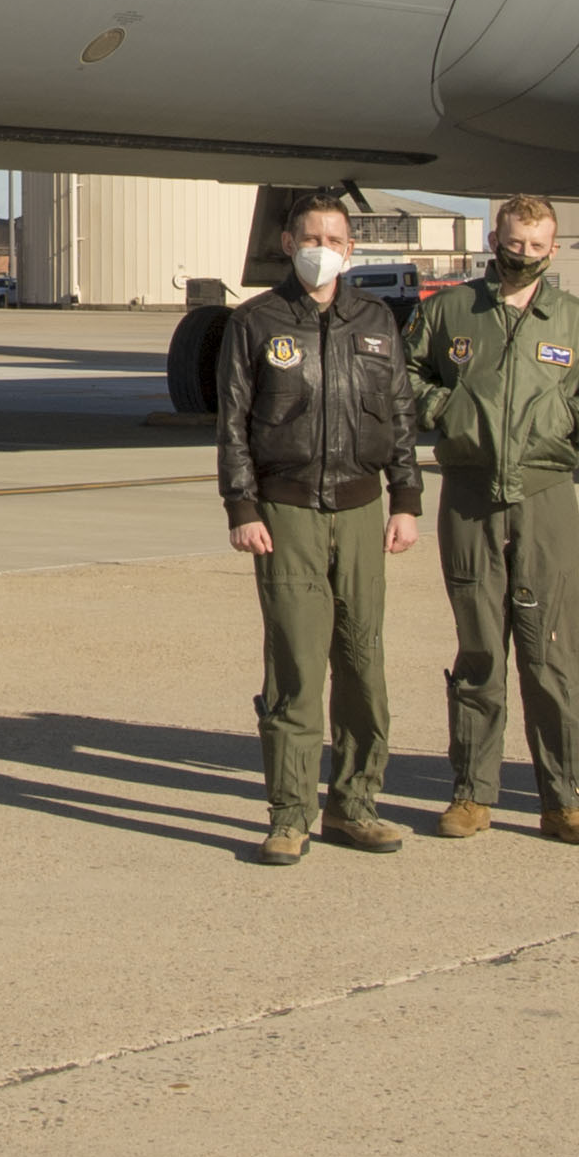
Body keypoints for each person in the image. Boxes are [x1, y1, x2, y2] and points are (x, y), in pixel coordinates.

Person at [216, 197, 426, 863]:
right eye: (311, 236)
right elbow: (233, 424)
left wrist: (407, 499)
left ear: (352, 247)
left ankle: (356, 805)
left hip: (363, 508)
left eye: (334, 237)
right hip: (286, 511)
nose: (322, 246)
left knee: (363, 663)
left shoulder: (375, 320)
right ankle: (289, 812)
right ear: (287, 241)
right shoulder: (255, 323)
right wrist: (242, 508)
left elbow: (398, 415)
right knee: (297, 667)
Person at [412, 192, 579, 840]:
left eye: (536, 246)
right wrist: (447, 413)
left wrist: (567, 424)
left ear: (553, 249)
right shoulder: (449, 312)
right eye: (514, 242)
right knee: (480, 650)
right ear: (493, 238)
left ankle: (565, 797)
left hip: (545, 499)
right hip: (471, 498)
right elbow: (403, 380)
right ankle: (473, 792)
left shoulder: (575, 321)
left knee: (551, 654)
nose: (523, 254)